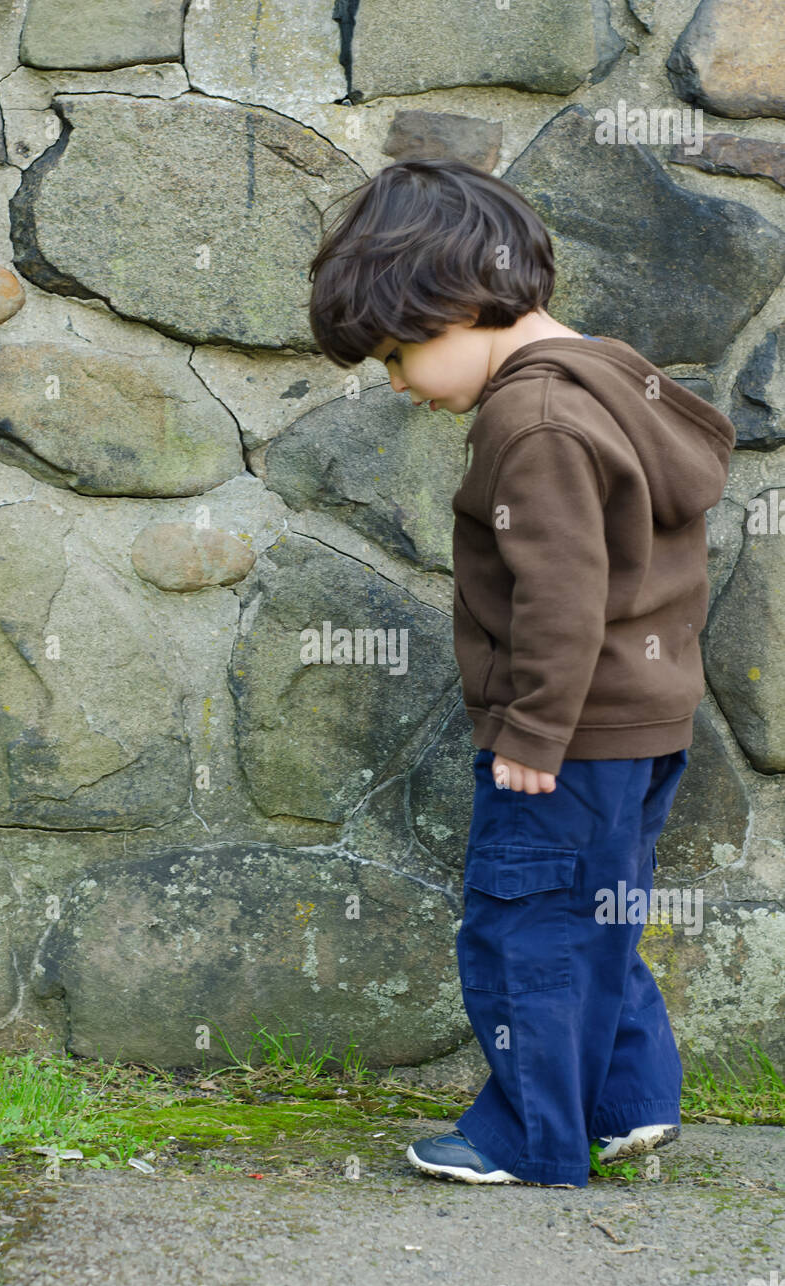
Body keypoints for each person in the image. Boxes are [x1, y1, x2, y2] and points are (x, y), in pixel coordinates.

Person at [307, 157, 736, 1188]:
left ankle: (527, 1138)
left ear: (460, 304)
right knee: (600, 915)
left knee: (522, 933)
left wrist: (534, 733)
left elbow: (562, 594)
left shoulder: (531, 420)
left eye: (402, 353)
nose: (402, 382)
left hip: (567, 737)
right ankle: (628, 1103)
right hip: (639, 726)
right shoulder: (610, 379)